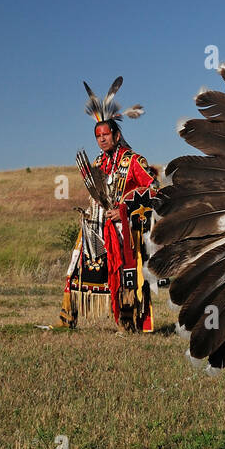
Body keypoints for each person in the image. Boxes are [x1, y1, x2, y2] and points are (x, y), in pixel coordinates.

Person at [59, 77, 159, 333]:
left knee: (123, 274)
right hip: (97, 225)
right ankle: (67, 318)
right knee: (77, 265)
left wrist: (124, 208)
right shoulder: (98, 163)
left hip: (124, 230)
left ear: (116, 135)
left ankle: (127, 322)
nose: (102, 139)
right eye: (98, 136)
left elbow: (153, 188)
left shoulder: (133, 160)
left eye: (106, 135)